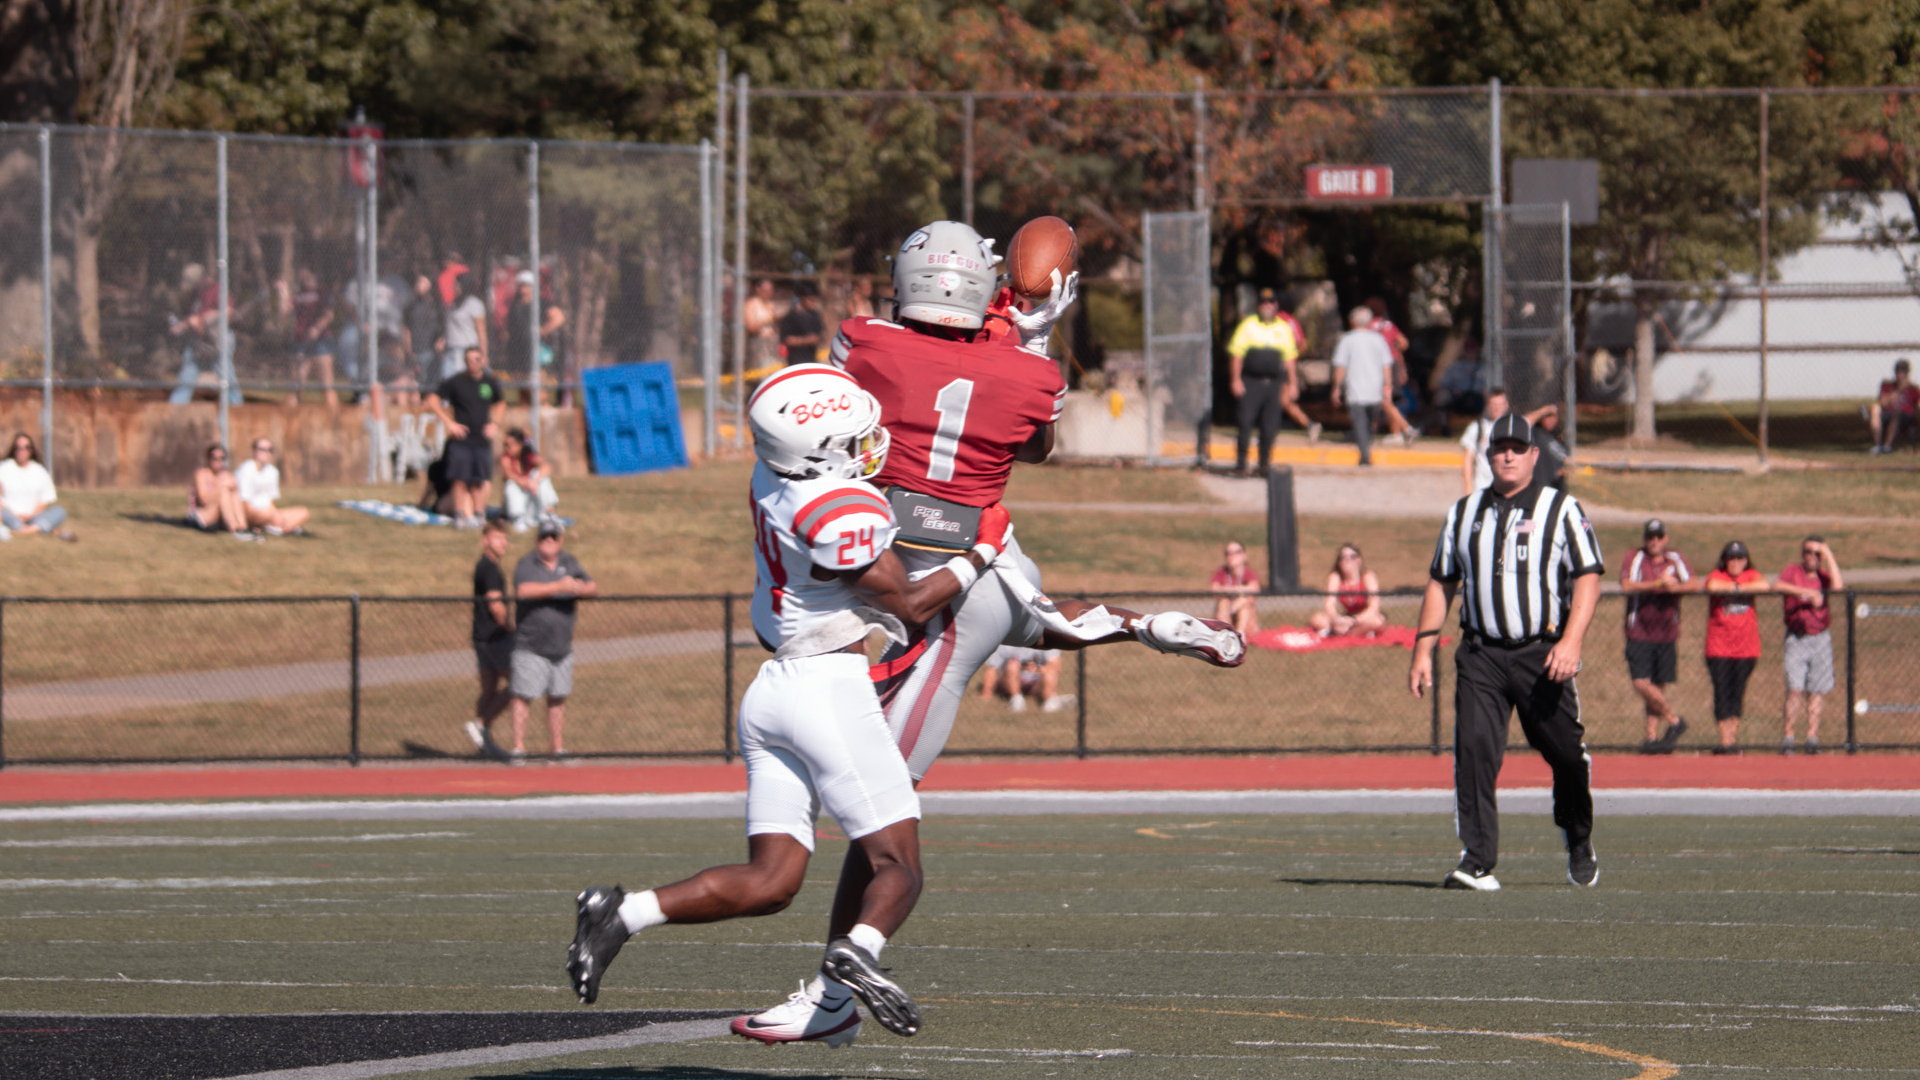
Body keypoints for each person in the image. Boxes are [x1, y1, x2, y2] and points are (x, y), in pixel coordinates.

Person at [732, 222, 1244, 1048]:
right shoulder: (1031, 373)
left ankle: (832, 992)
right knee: (1023, 621)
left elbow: (845, 389)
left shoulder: (866, 342)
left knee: (879, 810)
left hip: (918, 581)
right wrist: (1033, 330)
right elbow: (1032, 441)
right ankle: (1129, 624)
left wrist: (1005, 319)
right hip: (990, 550)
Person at [565, 365, 1018, 1039]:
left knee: (772, 881)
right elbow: (913, 601)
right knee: (899, 866)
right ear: (816, 453)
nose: (870, 442)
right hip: (827, 692)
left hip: (772, 693)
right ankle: (858, 952)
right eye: (853, 437)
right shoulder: (837, 512)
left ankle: (621, 913)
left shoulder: (771, 479)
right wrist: (985, 547)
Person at [1409, 412, 1604, 891]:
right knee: (1474, 751)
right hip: (1481, 654)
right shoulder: (1463, 512)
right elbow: (1441, 580)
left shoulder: (1561, 509)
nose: (1509, 455)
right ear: (1488, 454)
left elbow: (1589, 575)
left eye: (1519, 447)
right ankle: (1477, 859)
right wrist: (1423, 647)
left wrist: (1572, 640)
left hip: (1542, 653)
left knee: (1565, 756)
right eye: (1500, 448)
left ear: (1535, 455)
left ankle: (1578, 834)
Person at [510, 521, 597, 758]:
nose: (548, 540)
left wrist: (579, 588)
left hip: (561, 647)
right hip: (531, 645)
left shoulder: (570, 562)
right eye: (544, 537)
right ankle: (518, 748)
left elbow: (592, 586)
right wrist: (557, 586)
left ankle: (557, 749)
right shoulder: (528, 563)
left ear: (560, 540)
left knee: (558, 698)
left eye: (553, 537)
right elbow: (523, 590)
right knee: (523, 696)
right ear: (537, 540)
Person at [1224, 287, 1315, 476]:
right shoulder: (1248, 325)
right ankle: (1241, 464)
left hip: (1274, 384)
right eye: (1263, 302)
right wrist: (1235, 380)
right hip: (1251, 382)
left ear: (1276, 305)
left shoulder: (1282, 328)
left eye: (1271, 302)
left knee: (1270, 425)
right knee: (1245, 422)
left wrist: (1293, 383)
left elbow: (1290, 358)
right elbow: (1237, 355)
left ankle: (1263, 464)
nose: (1267, 306)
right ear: (1258, 305)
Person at [1619, 519, 1691, 753]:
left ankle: (1652, 738)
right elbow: (1627, 585)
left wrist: (1674, 588)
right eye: (1650, 537)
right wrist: (1657, 583)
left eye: (1659, 537)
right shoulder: (1635, 557)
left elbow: (1694, 583)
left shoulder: (1675, 559)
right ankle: (1674, 720)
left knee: (1657, 688)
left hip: (1666, 632)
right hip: (1639, 631)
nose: (1654, 542)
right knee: (1641, 682)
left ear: (1665, 538)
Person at [1776, 537, 1842, 755]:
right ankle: (1788, 736)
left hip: (1820, 637)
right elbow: (1778, 585)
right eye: (1808, 552)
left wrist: (1828, 553)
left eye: (1816, 553)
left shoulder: (1823, 576)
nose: (1812, 557)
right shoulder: (1793, 571)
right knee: (1795, 688)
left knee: (1816, 690)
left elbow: (1838, 586)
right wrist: (1806, 594)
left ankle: (1812, 737)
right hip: (1797, 637)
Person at [426, 346, 505, 529]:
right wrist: (449, 423)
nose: (473, 363)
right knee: (459, 479)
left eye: (476, 359)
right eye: (469, 359)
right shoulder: (456, 382)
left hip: (481, 440)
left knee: (480, 480)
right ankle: (460, 515)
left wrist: (495, 423)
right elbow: (432, 400)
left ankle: (479, 514)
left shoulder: (489, 382)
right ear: (464, 361)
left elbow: (500, 403)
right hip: (461, 441)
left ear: (483, 361)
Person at [1704, 540, 1771, 754]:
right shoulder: (1718, 575)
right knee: (1722, 692)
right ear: (1724, 560)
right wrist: (1739, 588)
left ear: (1746, 560)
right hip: (1719, 647)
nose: (1735, 563)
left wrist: (1735, 588)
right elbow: (1712, 586)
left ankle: (1731, 738)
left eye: (1739, 558)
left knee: (1737, 692)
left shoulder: (1751, 575)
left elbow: (1764, 585)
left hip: (1746, 648)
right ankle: (1725, 741)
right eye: (1731, 558)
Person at [467, 520, 515, 763]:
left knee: (489, 690)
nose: (503, 543)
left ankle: (484, 742)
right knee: (519, 682)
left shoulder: (486, 566)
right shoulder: (490, 569)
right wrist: (509, 628)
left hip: (481, 637)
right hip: (494, 637)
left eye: (505, 538)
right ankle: (481, 724)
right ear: (486, 540)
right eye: (498, 538)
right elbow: (495, 605)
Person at [166, 264, 240, 407]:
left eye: (193, 283)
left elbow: (229, 312)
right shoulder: (196, 294)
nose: (192, 287)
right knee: (186, 376)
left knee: (227, 378)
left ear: (202, 279)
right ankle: (174, 409)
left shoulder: (217, 289)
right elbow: (194, 317)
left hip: (217, 340)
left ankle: (237, 410)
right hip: (199, 342)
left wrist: (203, 320)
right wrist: (184, 325)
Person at [1330, 306, 1395, 467]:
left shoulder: (1347, 339)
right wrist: (1387, 386)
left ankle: (1364, 453)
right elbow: (1386, 365)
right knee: (1370, 422)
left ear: (1352, 321)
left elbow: (1340, 366)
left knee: (1360, 423)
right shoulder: (1378, 339)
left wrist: (1336, 387)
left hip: (1355, 389)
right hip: (1375, 389)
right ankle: (1366, 451)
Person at [1457, 389, 1556, 495]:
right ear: (1487, 405)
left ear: (1506, 405)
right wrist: (1468, 488)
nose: (1496, 408)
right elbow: (1468, 460)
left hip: (1508, 490)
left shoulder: (1513, 427)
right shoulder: (1477, 428)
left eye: (1500, 404)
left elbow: (1527, 420)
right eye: (1493, 404)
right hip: (1482, 487)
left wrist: (1544, 410)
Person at [1362, 297, 1420, 447]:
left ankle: (1407, 429)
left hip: (1377, 367)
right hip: (1392, 365)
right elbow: (1403, 343)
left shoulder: (1368, 326)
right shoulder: (1388, 325)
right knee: (1388, 401)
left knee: (1384, 401)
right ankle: (1395, 434)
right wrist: (1394, 352)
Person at [0, 433, 73, 541]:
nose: (22, 451)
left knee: (59, 511)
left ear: (31, 450)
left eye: (26, 447)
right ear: (14, 450)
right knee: (11, 519)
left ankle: (26, 530)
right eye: (18, 447)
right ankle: (38, 529)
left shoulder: (39, 471)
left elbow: (44, 500)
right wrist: (15, 514)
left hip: (33, 517)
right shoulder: (5, 468)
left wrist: (29, 515)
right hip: (10, 515)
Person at [505, 270, 566, 393]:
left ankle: (540, 406)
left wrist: (543, 330)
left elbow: (559, 318)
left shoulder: (540, 302)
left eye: (527, 285)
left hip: (535, 348)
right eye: (521, 285)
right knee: (520, 385)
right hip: (517, 349)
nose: (524, 288)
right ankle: (525, 408)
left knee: (538, 383)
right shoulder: (515, 305)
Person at [232, 439, 310, 535]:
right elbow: (245, 503)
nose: (266, 453)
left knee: (303, 512)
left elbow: (270, 501)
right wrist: (271, 516)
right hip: (251, 512)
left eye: (270, 450)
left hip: (269, 513)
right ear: (254, 451)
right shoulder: (246, 469)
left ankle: (279, 529)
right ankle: (279, 527)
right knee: (268, 515)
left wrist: (276, 516)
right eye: (262, 449)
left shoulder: (273, 471)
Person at [1310, 543, 1385, 637]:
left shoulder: (1368, 577)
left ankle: (1343, 633)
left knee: (1378, 621)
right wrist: (1337, 619)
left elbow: (1374, 607)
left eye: (1352, 557)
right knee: (1317, 618)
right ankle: (1355, 632)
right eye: (1343, 557)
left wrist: (1355, 620)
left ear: (1359, 560)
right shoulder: (1336, 578)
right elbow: (1329, 604)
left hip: (1362, 617)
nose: (1347, 560)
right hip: (1343, 617)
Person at [288, 268, 337, 406]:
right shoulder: (298, 293)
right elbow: (285, 310)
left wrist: (317, 328)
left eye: (306, 271)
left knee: (327, 387)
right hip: (300, 341)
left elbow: (329, 314)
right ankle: (291, 423)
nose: (303, 275)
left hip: (321, 342)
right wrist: (283, 291)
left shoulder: (322, 291)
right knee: (296, 387)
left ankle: (335, 423)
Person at [978, 644, 1072, 713]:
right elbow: (992, 669)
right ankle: (1016, 699)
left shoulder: (1045, 640)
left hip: (1035, 683)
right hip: (1010, 681)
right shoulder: (1008, 642)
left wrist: (1037, 669)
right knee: (1013, 665)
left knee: (1049, 673)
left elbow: (1056, 666)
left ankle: (1049, 702)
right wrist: (986, 694)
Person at [499, 428, 559, 531]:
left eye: (509, 445)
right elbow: (509, 474)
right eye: (505, 445)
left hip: (532, 497)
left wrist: (534, 482)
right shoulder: (506, 458)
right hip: (516, 501)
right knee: (511, 484)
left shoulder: (529, 456)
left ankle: (548, 514)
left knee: (542, 480)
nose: (506, 448)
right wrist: (521, 480)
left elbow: (546, 467)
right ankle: (519, 518)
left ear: (520, 445)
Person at [189, 443, 252, 539]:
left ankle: (243, 527)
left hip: (219, 515)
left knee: (234, 493)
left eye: (222, 458)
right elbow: (203, 500)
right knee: (224, 492)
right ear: (208, 459)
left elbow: (236, 497)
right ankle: (235, 529)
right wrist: (220, 487)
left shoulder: (226, 475)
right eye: (215, 458)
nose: (218, 461)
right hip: (203, 514)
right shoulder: (201, 474)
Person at [401, 273, 444, 408]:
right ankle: (416, 410)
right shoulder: (411, 306)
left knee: (429, 384)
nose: (419, 285)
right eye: (418, 282)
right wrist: (408, 349)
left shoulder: (437, 306)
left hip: (431, 351)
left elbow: (444, 328)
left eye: (423, 282)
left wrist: (441, 342)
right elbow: (406, 328)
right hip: (415, 351)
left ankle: (429, 408)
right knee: (415, 385)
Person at [442, 271, 488, 382]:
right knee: (448, 383)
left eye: (457, 284)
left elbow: (481, 332)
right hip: (451, 350)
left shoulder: (474, 303)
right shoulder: (453, 304)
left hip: (466, 350)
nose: (454, 287)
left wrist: (484, 355)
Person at [1210, 541, 1261, 637]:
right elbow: (1215, 590)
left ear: (1244, 556)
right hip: (1226, 612)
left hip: (1244, 616)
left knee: (1245, 601)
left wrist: (1229, 592)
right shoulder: (1222, 572)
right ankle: (1226, 635)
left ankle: (1240, 636)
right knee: (1223, 602)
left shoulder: (1248, 573)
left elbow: (1254, 588)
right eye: (1228, 553)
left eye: (1236, 552)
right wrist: (1240, 590)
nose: (1232, 556)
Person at [1868, 358, 1917, 454]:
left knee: (1897, 413)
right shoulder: (1887, 386)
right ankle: (1878, 445)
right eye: (1898, 371)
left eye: (1903, 372)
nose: (1900, 375)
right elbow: (1883, 403)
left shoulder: (1913, 389)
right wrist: (1899, 390)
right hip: (1887, 414)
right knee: (1875, 408)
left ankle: (1887, 446)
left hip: (1904, 417)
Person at [779, 284, 826, 366]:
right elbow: (786, 340)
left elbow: (822, 333)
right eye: (810, 300)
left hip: (811, 360)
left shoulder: (815, 315)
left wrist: (819, 338)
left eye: (814, 301)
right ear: (803, 299)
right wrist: (806, 340)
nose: (812, 303)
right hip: (795, 361)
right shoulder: (791, 317)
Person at [1530, 405, 1570, 493]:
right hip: (1539, 486)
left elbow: (1565, 457)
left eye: (1554, 417)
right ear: (1541, 418)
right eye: (1548, 417)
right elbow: (1523, 423)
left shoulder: (1558, 438)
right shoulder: (1535, 434)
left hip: (1556, 486)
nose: (1551, 420)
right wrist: (1543, 411)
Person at [743, 278, 780, 370]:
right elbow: (750, 327)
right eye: (766, 290)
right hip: (758, 344)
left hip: (772, 344)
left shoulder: (770, 305)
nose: (769, 293)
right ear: (758, 289)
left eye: (771, 290)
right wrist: (767, 320)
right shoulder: (751, 304)